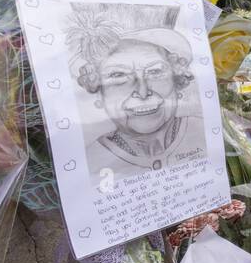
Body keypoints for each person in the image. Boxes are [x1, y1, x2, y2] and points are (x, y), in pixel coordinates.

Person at [76, 23, 207, 178]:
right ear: (99, 93)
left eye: (155, 71)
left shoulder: (203, 130)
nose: (142, 92)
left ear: (177, 80)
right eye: (118, 75)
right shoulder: (89, 162)